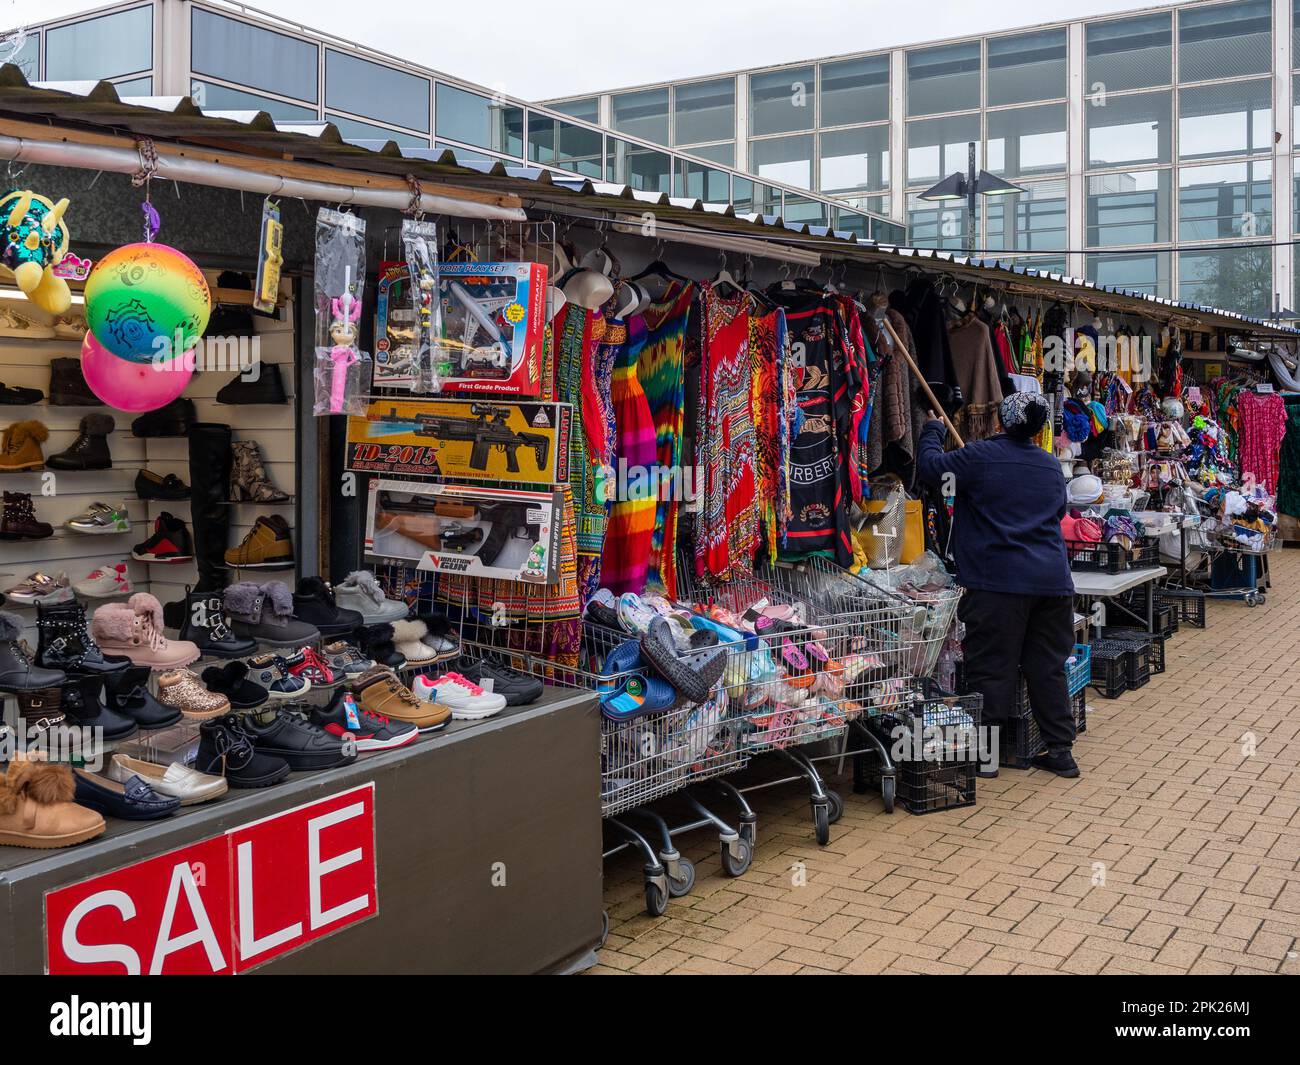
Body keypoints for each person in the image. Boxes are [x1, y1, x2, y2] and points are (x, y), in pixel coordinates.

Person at [916, 392, 1079, 778]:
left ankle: (987, 759)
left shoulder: (979, 456)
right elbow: (1056, 512)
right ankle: (1061, 751)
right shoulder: (1050, 467)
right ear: (1039, 430)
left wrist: (933, 429)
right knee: (1047, 667)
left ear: (1001, 421)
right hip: (1051, 583)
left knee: (992, 667)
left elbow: (931, 470)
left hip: (999, 583)